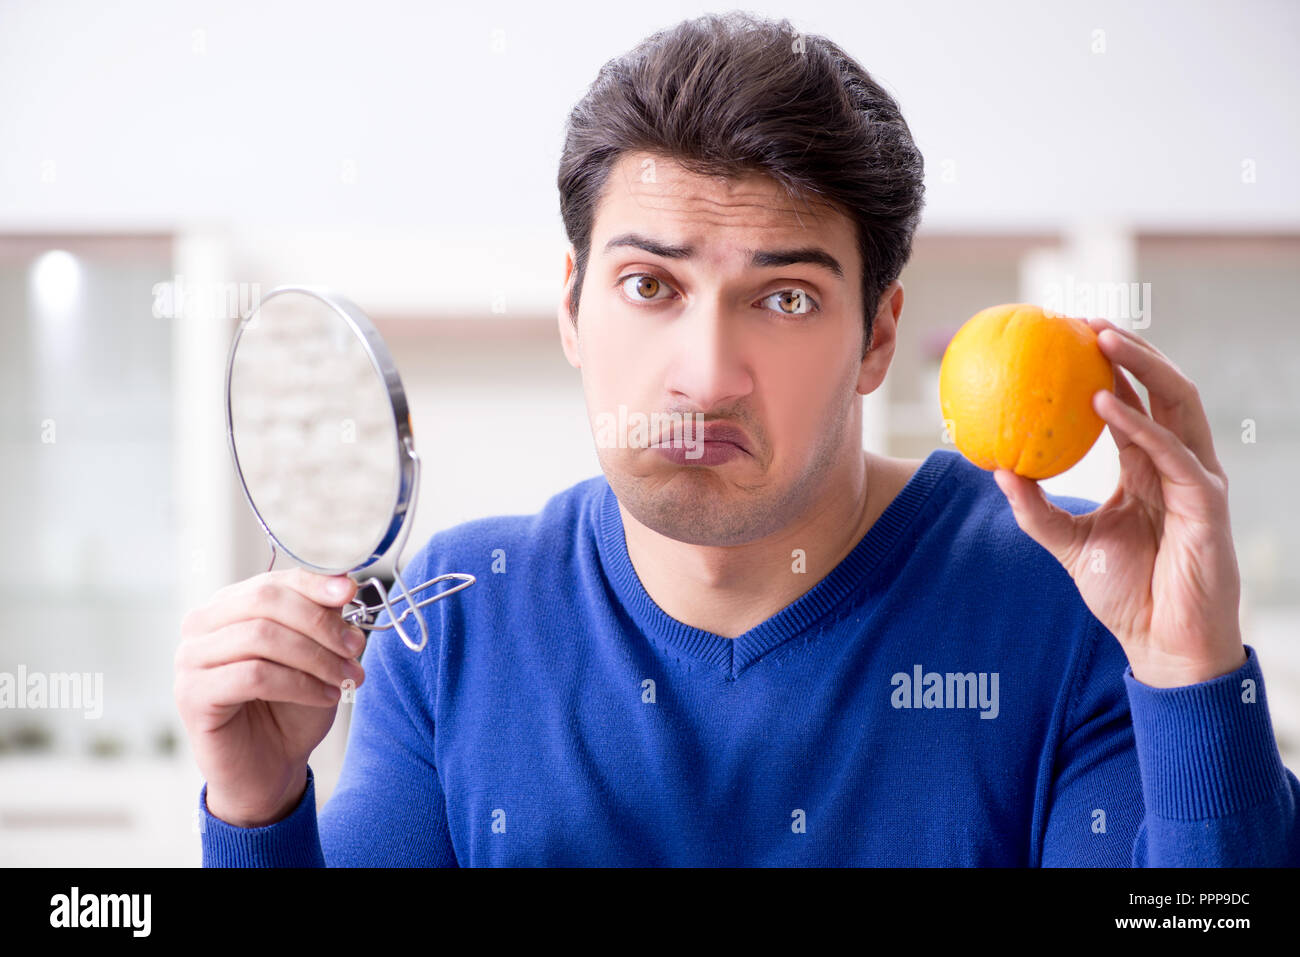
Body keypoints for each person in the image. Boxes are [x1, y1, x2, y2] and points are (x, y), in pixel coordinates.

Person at [176, 11, 1300, 866]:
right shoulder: (459, 612)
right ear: (573, 307)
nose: (706, 375)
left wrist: (1187, 676)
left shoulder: (1062, 596)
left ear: (877, 338)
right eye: (648, 283)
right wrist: (257, 807)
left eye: (787, 299)